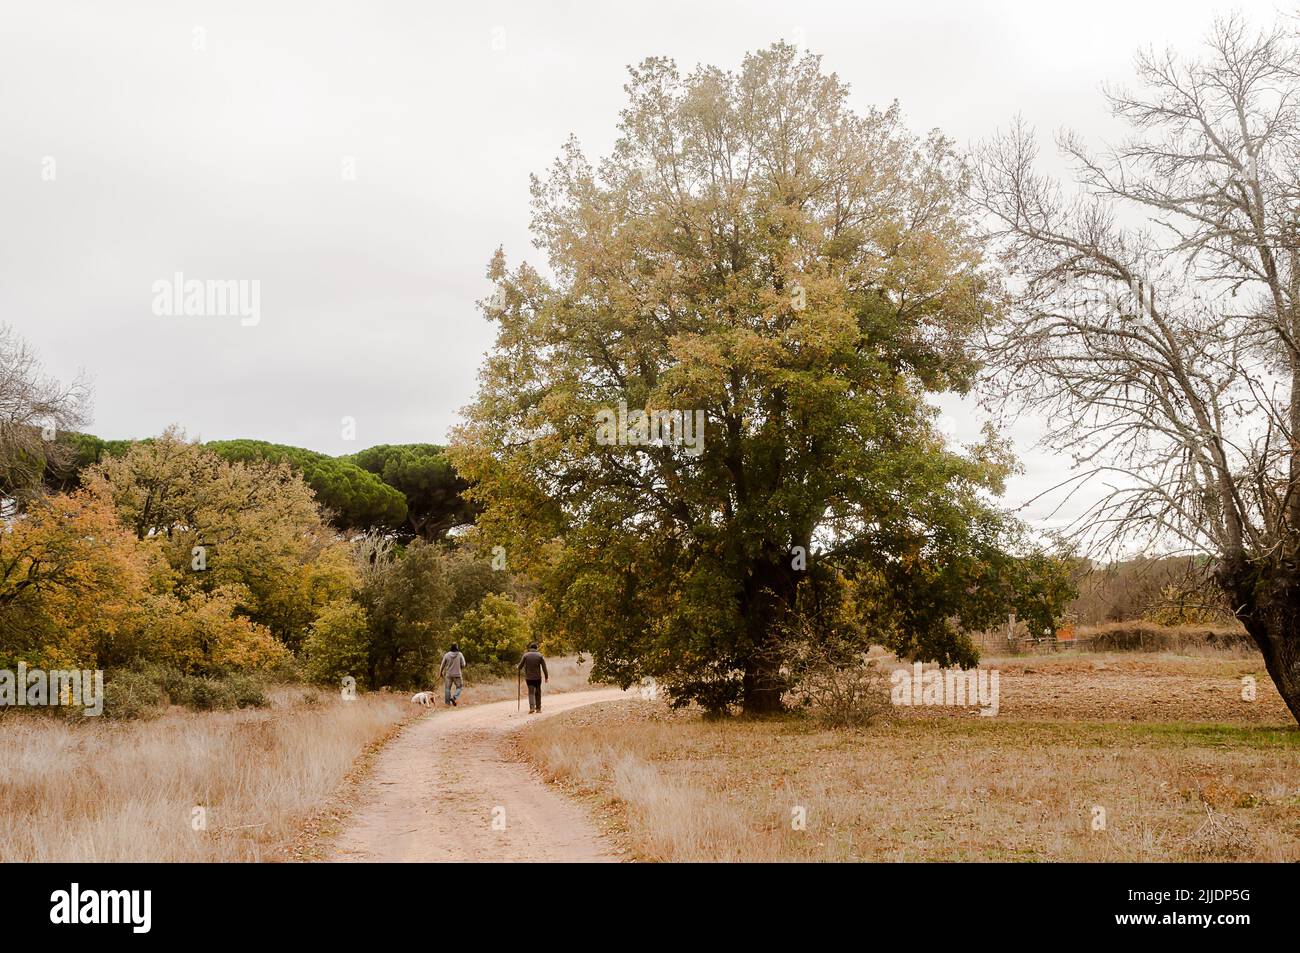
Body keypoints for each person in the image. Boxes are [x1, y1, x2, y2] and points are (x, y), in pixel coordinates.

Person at [517, 642, 548, 714]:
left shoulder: (525, 655)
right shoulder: (540, 655)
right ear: (536, 648)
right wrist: (546, 677)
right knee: (538, 692)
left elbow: (520, 667)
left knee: (531, 692)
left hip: (529, 678)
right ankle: (538, 709)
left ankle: (531, 708)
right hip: (537, 678)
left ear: (530, 648)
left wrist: (517, 667)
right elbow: (544, 667)